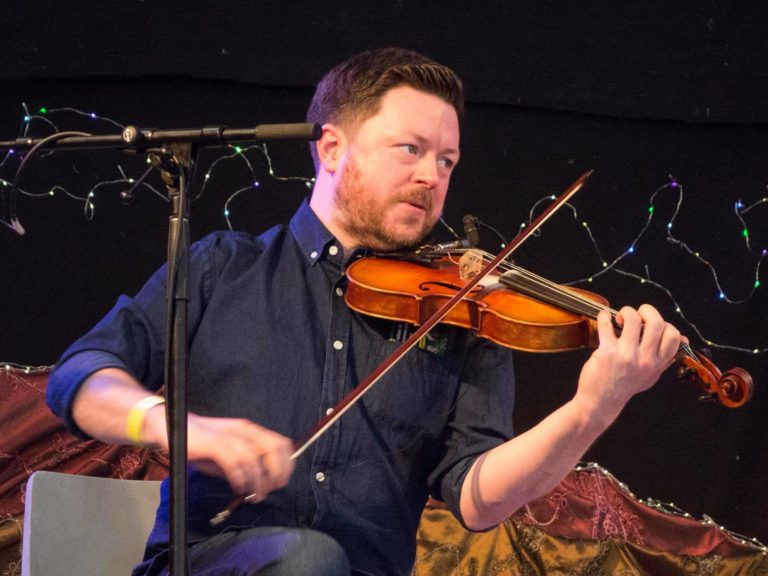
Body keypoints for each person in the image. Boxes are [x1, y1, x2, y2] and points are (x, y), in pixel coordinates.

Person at [47, 47, 681, 576]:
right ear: (330, 148)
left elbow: (479, 499)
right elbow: (77, 380)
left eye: (447, 160)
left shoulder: (464, 307)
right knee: (305, 559)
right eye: (410, 149)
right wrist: (179, 428)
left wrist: (594, 406)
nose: (432, 176)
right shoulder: (221, 268)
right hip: (208, 562)